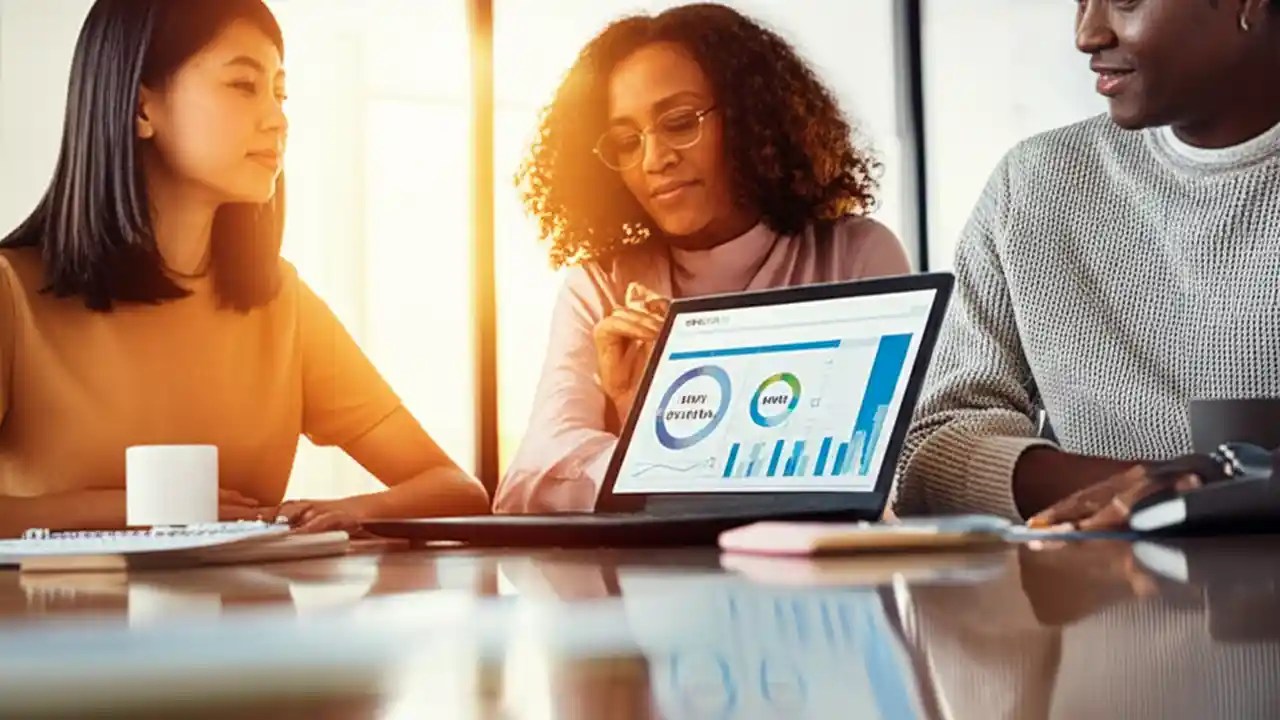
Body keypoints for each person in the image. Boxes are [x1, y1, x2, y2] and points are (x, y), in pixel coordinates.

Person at [0, 0, 489, 538]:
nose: (278, 118)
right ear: (142, 109)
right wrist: (135, 512)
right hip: (57, 622)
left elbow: (455, 488)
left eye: (280, 93)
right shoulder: (12, 294)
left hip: (252, 620)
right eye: (243, 85)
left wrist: (355, 511)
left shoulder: (282, 305)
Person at [495, 3, 911, 513]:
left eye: (679, 122)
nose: (654, 160)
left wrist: (646, 453)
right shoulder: (601, 285)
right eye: (627, 141)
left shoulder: (856, 256)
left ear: (750, 121)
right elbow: (529, 480)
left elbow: (883, 468)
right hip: (644, 586)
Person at [894, 0, 1280, 529]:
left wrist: (1199, 497)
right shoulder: (1033, 185)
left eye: (1124, 1)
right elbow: (932, 447)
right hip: (1099, 601)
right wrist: (1140, 487)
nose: (1087, 34)